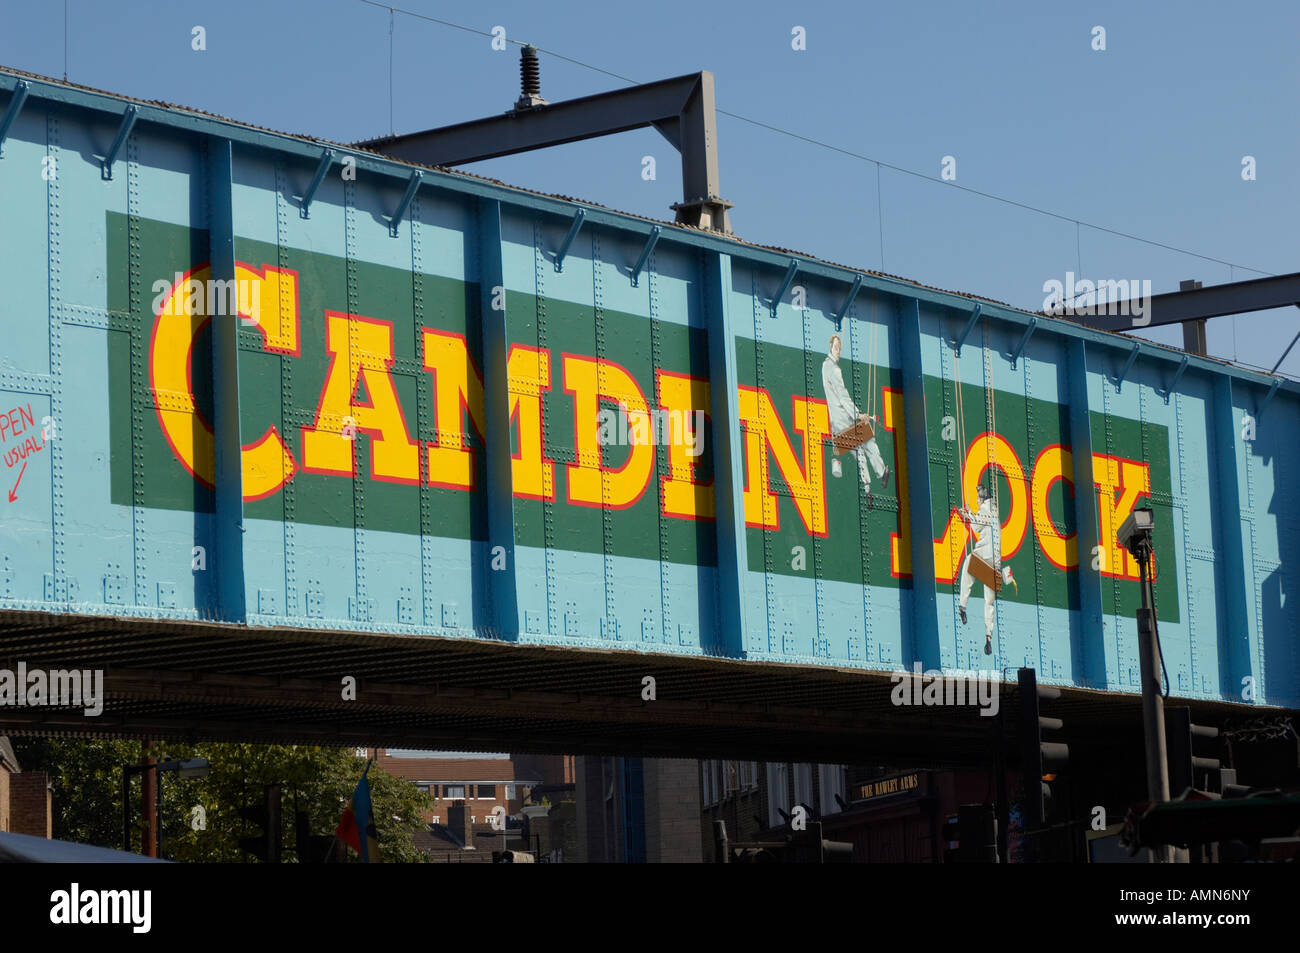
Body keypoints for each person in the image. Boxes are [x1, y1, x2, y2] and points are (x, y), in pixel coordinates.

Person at [821, 334, 889, 502]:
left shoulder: (824, 366)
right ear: (830, 347)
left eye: (840, 349)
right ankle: (881, 472)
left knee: (859, 454)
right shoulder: (835, 370)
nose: (838, 352)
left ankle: (867, 490)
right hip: (845, 419)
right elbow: (843, 396)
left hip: (836, 424)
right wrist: (859, 414)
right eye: (836, 348)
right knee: (869, 442)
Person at [957, 483, 1012, 655]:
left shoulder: (985, 509)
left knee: (967, 566)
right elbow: (980, 524)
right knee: (989, 602)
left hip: (984, 556)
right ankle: (988, 636)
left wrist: (968, 513)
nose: (976, 500)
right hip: (995, 562)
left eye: (977, 498)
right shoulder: (994, 511)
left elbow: (975, 527)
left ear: (982, 498)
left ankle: (962, 606)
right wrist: (970, 515)